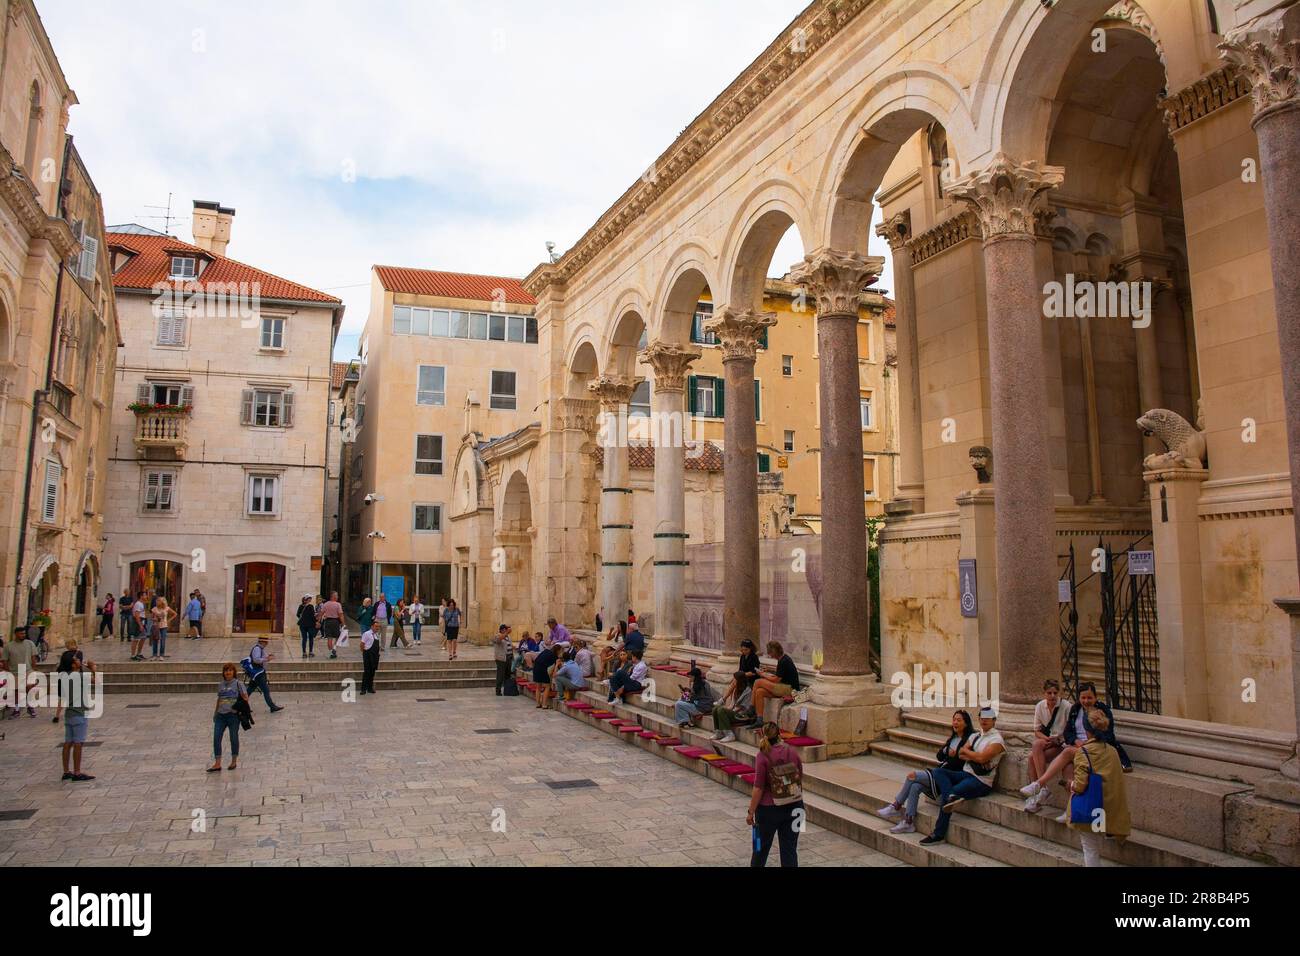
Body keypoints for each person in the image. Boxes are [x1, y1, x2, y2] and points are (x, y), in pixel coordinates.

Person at [1021, 682, 1130, 822]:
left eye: (1089, 698)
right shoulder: (1075, 709)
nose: (1086, 701)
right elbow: (1068, 733)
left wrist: (1087, 743)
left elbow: (1108, 735)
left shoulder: (1102, 710)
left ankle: (1040, 784)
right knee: (1065, 766)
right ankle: (1070, 809)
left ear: (1096, 698)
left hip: (1095, 749)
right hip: (1079, 748)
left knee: (1067, 753)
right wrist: (1077, 741)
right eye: (1083, 698)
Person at [877, 710, 974, 834]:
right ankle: (908, 822)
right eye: (954, 719)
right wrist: (946, 752)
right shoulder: (953, 738)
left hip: (947, 778)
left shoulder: (968, 741)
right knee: (915, 787)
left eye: (959, 720)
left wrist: (954, 755)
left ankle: (896, 806)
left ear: (966, 723)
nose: (955, 722)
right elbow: (939, 756)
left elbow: (959, 764)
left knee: (912, 776)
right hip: (940, 771)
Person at [920, 706, 1005, 845]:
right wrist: (975, 756)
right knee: (937, 772)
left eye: (988, 718)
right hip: (966, 774)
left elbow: (982, 758)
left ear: (994, 720)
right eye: (982, 718)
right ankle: (950, 796)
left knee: (950, 795)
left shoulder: (997, 741)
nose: (984, 720)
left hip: (981, 781)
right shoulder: (975, 735)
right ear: (979, 719)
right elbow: (961, 753)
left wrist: (970, 754)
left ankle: (938, 833)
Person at [1069, 707, 1131, 866]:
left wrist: (1071, 784)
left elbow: (1081, 785)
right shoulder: (1112, 751)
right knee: (1093, 845)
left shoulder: (1084, 751)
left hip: (1090, 808)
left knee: (1090, 848)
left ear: (1087, 730)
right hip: (1109, 807)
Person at [748, 721, 804, 867]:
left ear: (763, 735)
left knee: (759, 849)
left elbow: (758, 787)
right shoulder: (792, 751)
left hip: (768, 810)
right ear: (779, 734)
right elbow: (800, 777)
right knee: (790, 850)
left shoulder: (762, 755)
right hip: (796, 807)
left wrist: (750, 812)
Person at [1021, 678, 1072, 812]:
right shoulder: (1040, 706)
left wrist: (1058, 739)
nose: (1052, 696)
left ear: (1059, 693)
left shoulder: (1066, 706)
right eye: (1049, 693)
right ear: (1044, 693)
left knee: (1032, 757)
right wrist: (1048, 739)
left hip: (1062, 743)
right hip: (1049, 740)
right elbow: (1037, 730)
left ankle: (1039, 792)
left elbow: (1069, 730)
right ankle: (1042, 789)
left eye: (1055, 693)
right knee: (1037, 744)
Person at [60, 657, 96, 782]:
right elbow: (96, 681)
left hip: (69, 713)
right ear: (73, 665)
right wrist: (93, 669)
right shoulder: (79, 676)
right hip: (79, 713)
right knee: (78, 743)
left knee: (67, 743)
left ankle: (66, 771)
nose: (79, 662)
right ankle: (77, 772)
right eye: (76, 660)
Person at [209, 663, 249, 772]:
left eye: (230, 670)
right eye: (226, 670)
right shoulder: (221, 684)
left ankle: (234, 761)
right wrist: (215, 712)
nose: (228, 672)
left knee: (233, 738)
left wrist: (238, 708)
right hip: (221, 716)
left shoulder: (238, 684)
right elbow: (219, 699)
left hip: (233, 716)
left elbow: (245, 698)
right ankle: (217, 763)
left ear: (234, 672)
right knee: (216, 738)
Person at [749, 641, 800, 723]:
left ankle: (751, 708)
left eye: (770, 653)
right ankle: (759, 719)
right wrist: (768, 671)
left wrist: (762, 674)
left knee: (758, 682)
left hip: (790, 689)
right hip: (783, 686)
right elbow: (779, 675)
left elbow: (776, 679)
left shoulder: (784, 661)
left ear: (774, 651)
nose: (770, 655)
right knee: (759, 692)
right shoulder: (782, 659)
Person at [4, 627, 39, 717]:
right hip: (14, 671)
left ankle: (30, 707)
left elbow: (33, 657)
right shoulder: (8, 646)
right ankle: (16, 709)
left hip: (28, 670)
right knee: (17, 691)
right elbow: (5, 660)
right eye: (21, 633)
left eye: (24, 633)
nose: (23, 635)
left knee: (29, 689)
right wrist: (8, 671)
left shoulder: (30, 643)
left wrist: (34, 669)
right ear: (16, 634)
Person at [245, 636, 284, 713]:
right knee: (265, 690)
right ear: (262, 642)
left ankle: (241, 706)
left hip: (257, 673)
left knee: (249, 690)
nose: (267, 643)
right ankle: (272, 706)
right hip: (258, 673)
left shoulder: (260, 649)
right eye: (266, 642)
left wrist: (268, 657)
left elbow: (262, 658)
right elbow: (256, 660)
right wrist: (266, 659)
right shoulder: (257, 649)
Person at [532, 640, 558, 709]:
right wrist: (557, 664)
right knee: (547, 686)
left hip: (536, 668)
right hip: (542, 669)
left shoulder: (545, 651)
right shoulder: (554, 656)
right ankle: (544, 704)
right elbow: (554, 672)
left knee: (538, 687)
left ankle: (538, 704)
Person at [318, 591, 345, 658]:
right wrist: (343, 623)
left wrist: (318, 621)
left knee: (329, 638)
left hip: (327, 622)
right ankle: (334, 649)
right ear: (333, 596)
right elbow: (340, 615)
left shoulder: (325, 604)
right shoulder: (338, 604)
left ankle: (331, 653)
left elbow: (321, 613)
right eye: (337, 595)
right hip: (335, 622)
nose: (337, 597)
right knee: (337, 637)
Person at [491, 624, 513, 695]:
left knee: (507, 675)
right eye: (505, 629)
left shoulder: (507, 637)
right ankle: (498, 691)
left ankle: (507, 690)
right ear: (501, 630)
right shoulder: (497, 635)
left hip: (509, 658)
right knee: (500, 675)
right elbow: (498, 640)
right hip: (501, 659)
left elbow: (508, 645)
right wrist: (506, 633)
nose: (506, 630)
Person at [359, 625, 380, 695]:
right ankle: (363, 689)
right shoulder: (367, 634)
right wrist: (365, 653)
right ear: (372, 626)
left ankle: (370, 688)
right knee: (367, 671)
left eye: (378, 627)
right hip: (368, 654)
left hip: (375, 656)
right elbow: (362, 644)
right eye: (376, 626)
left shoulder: (376, 635)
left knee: (372, 671)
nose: (377, 628)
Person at [129, 591, 148, 661]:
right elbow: (137, 615)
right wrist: (140, 625)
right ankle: (133, 655)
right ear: (141, 596)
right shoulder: (138, 604)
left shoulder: (141, 604)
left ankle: (139, 653)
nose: (146, 597)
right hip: (138, 623)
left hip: (142, 622)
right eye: (145, 595)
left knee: (143, 637)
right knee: (136, 639)